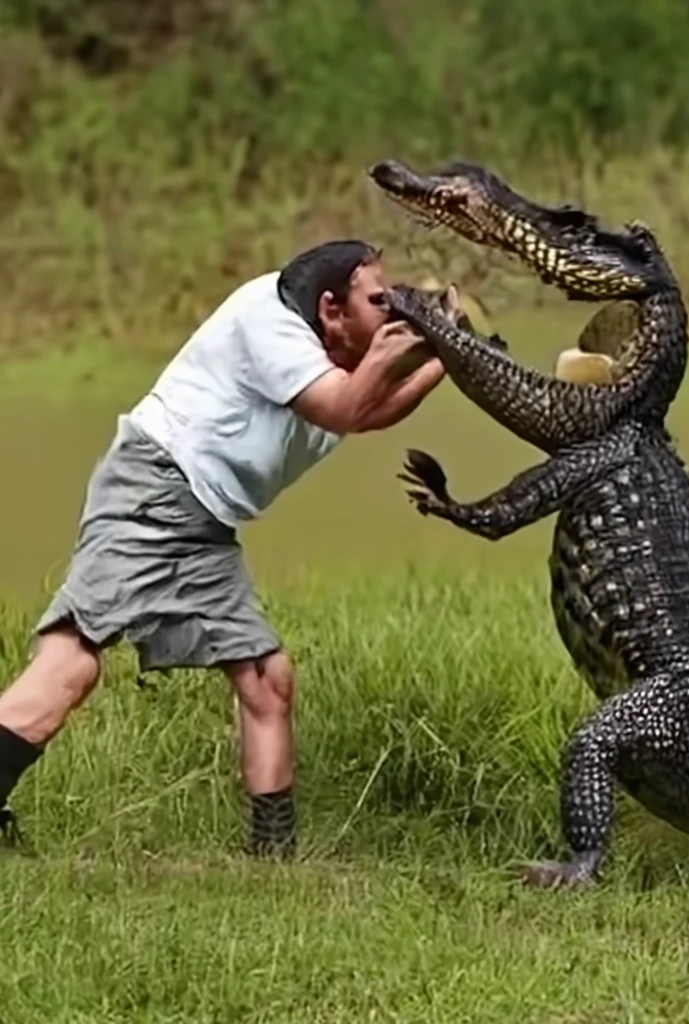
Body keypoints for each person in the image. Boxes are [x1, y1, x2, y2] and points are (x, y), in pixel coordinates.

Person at [0, 239, 446, 858]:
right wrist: (416, 342)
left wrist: (449, 358)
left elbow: (369, 413)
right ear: (330, 309)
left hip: (204, 525)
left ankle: (271, 861)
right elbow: (347, 408)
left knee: (266, 680)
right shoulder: (269, 321)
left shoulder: (335, 356)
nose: (392, 306)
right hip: (152, 494)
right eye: (378, 299)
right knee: (69, 669)